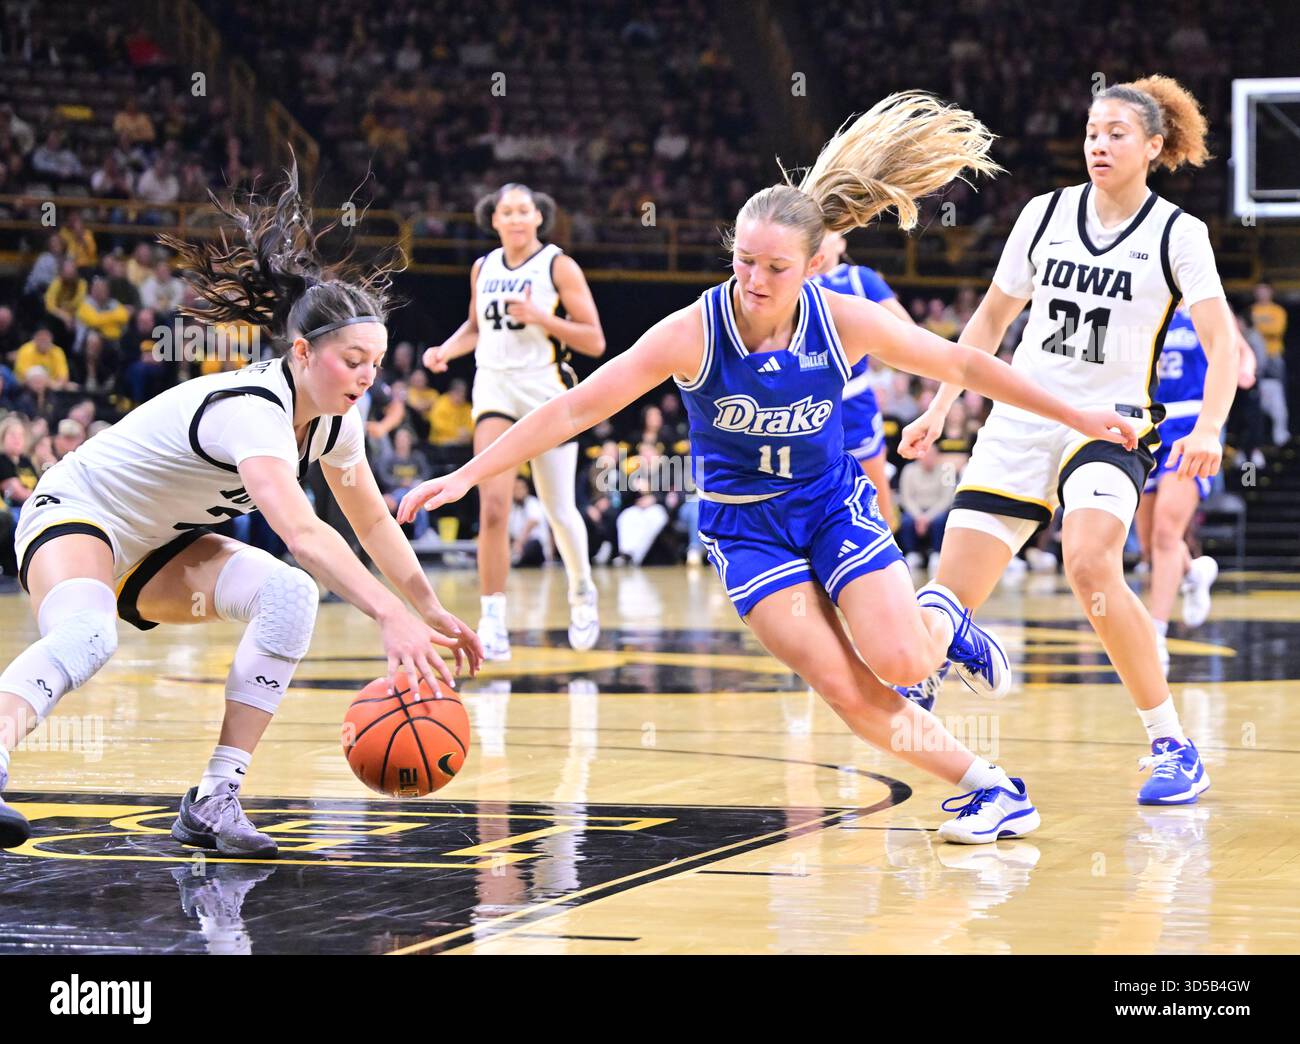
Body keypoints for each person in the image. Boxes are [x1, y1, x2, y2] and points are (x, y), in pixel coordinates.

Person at [400, 93, 1138, 843]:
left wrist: (1080, 417)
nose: (754, 279)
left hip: (829, 506)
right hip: (747, 531)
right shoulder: (692, 331)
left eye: (775, 267)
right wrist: (466, 475)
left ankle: (942, 619)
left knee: (900, 656)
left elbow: (962, 361)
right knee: (844, 687)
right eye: (743, 260)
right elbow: (571, 410)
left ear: (813, 265)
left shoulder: (843, 319)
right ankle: (991, 788)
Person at [0, 167, 482, 853]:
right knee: (88, 635)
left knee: (288, 594)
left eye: (374, 363)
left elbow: (373, 523)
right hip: (79, 514)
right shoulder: (254, 411)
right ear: (304, 351)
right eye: (353, 361)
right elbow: (303, 531)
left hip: (161, 547)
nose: (368, 377)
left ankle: (215, 798)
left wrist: (428, 609)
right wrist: (387, 613)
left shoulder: (335, 424)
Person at [899, 76, 1235, 806]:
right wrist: (939, 407)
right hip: (1023, 417)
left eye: (1116, 133)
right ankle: (925, 678)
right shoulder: (1044, 214)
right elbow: (988, 325)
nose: (1099, 145)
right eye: (1091, 132)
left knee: (1089, 564)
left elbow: (1224, 342)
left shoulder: (1178, 234)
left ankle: (1173, 743)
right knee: (949, 593)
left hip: (1113, 422)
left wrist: (1208, 426)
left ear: (1152, 145)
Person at [425, 183, 607, 659]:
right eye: (508, 211)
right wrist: (447, 348)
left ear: (538, 218)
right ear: (495, 219)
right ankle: (493, 618)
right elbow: (474, 327)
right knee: (492, 507)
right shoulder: (482, 267)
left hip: (546, 392)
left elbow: (594, 340)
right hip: (495, 389)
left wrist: (540, 317)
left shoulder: (558, 265)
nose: (517, 218)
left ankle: (582, 591)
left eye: (524, 210)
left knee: (559, 509)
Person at [1135, 303, 1255, 674]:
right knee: (1150, 544)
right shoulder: (1146, 299)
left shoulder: (1206, 302)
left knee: (1167, 534)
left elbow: (1241, 356)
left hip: (1191, 427)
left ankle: (1154, 635)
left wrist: (1241, 373)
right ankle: (1192, 573)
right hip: (1146, 426)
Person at [810, 229, 912, 528]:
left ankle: (888, 566)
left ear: (841, 243)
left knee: (879, 503)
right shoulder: (794, 281)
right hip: (807, 404)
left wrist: (884, 367)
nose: (819, 238)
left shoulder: (858, 278)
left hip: (853, 399)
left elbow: (905, 329)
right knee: (812, 504)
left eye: (828, 232)